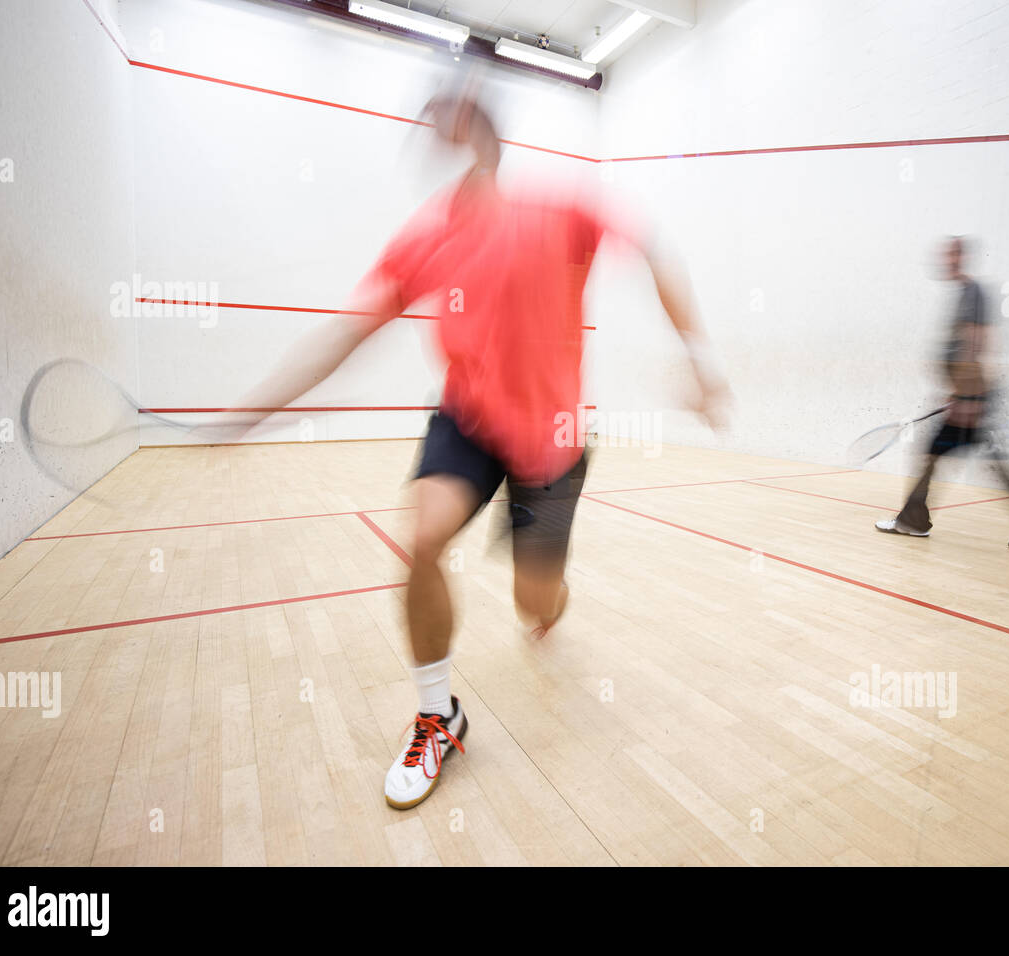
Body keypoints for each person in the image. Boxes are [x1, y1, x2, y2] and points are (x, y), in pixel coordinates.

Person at [222, 90, 729, 810]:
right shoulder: (428, 233)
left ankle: (551, 594)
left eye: (470, 115)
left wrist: (702, 360)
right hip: (466, 419)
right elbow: (347, 332)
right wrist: (256, 408)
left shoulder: (562, 206)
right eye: (444, 120)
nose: (460, 130)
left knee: (535, 602)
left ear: (493, 131)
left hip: (551, 440)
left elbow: (652, 247)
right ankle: (438, 714)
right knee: (422, 539)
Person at [875, 236, 1009, 552]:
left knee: (989, 464)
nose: (946, 261)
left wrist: (969, 398)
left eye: (952, 255)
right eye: (944, 255)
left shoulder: (972, 293)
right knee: (934, 456)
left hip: (973, 400)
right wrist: (958, 391)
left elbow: (976, 343)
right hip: (966, 396)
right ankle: (913, 520)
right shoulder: (964, 294)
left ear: (962, 258)